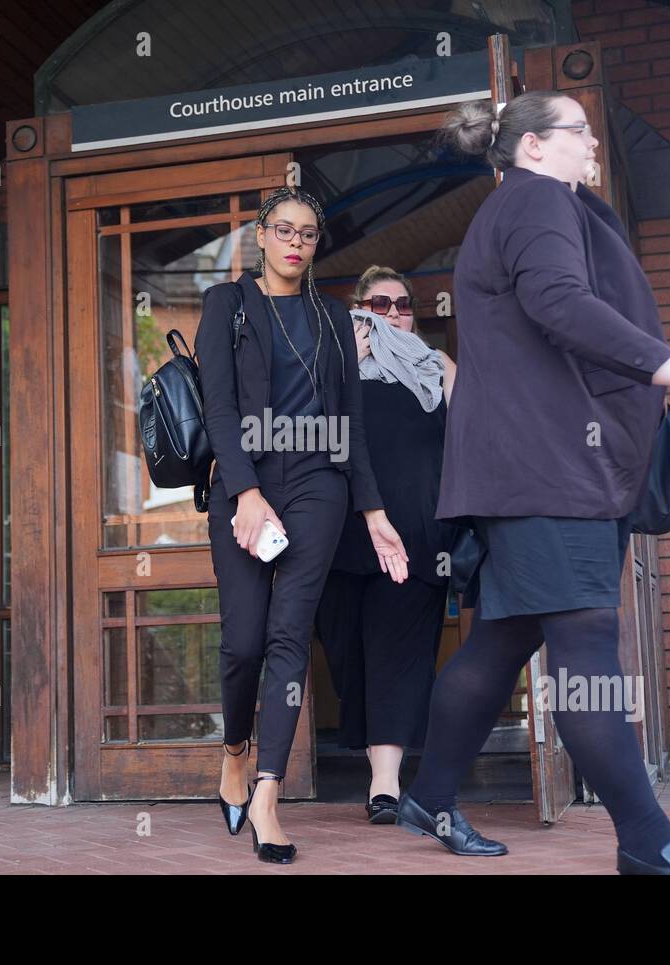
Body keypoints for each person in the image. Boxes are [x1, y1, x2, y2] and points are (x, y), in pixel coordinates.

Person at [396, 91, 670, 875]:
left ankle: (428, 794)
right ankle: (647, 840)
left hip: (534, 467)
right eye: (579, 131)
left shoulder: (534, 202)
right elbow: (560, 302)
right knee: (587, 642)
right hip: (546, 469)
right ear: (531, 147)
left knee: (505, 634)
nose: (594, 141)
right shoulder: (535, 201)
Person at [195, 186, 409, 864]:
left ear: (316, 244)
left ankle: (266, 796)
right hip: (244, 483)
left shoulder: (331, 318)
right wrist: (247, 493)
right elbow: (220, 411)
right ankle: (234, 749)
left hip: (317, 484)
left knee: (290, 637)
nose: (295, 242)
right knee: (244, 642)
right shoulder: (226, 305)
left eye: (308, 234)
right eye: (283, 230)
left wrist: (374, 511)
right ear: (260, 235)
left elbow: (351, 427)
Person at [314, 265, 456, 824]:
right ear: (359, 308)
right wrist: (337, 366)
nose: (394, 314)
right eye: (380, 304)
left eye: (404, 305)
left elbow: (477, 430)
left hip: (417, 533)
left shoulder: (436, 366)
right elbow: (302, 428)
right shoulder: (336, 362)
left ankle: (385, 785)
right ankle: (377, 766)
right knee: (350, 654)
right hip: (343, 533)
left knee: (399, 655)